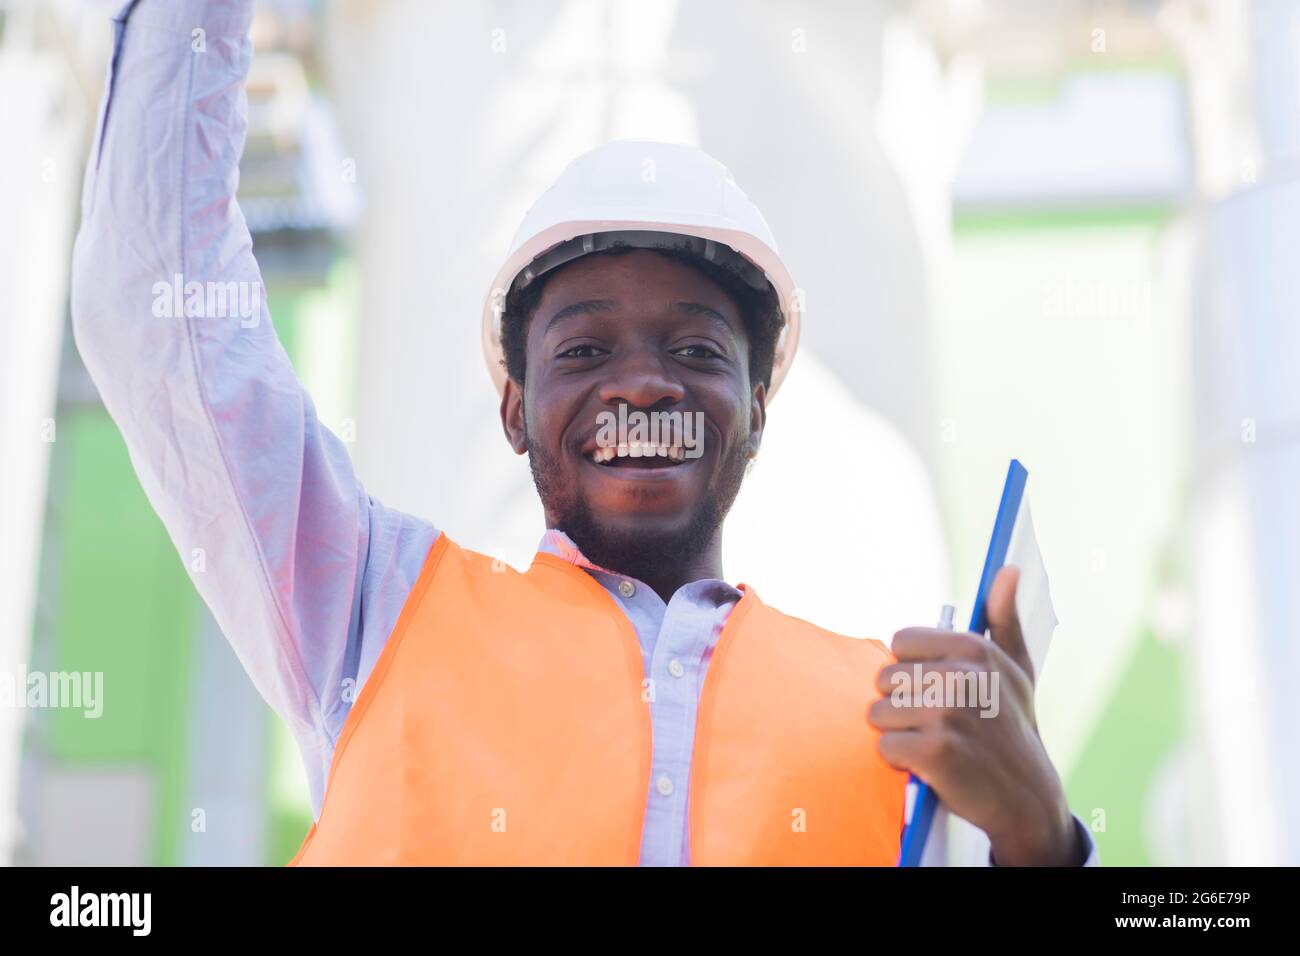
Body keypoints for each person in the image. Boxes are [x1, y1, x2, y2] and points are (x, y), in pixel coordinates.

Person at [72, 0, 1096, 866]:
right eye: (582, 351)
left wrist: (1039, 841)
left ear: (756, 409)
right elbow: (157, 306)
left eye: (696, 350)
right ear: (514, 407)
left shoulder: (900, 727)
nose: (642, 383)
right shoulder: (370, 617)